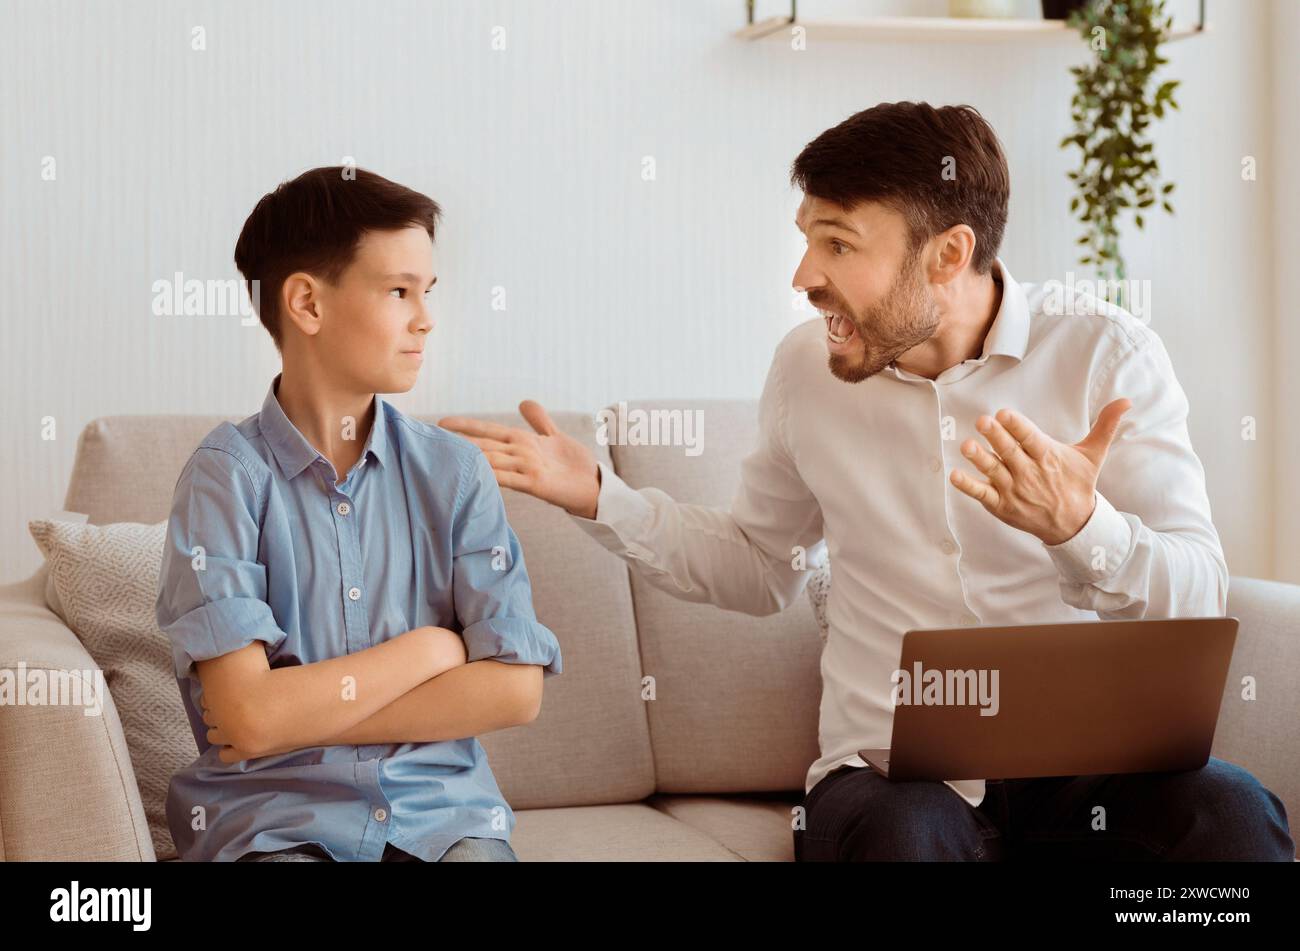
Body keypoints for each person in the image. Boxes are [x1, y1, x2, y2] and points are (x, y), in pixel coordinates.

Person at [440, 102, 1293, 861]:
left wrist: (1083, 528)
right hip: (886, 778)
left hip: (1088, 773)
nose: (804, 277)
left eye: (838, 244)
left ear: (947, 254)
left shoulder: (1106, 358)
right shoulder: (805, 373)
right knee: (906, 835)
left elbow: (1202, 595)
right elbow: (756, 563)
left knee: (1228, 813)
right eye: (808, 239)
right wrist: (600, 493)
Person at [156, 166, 562, 862]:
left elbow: (517, 690)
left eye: (427, 292)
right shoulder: (224, 478)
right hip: (274, 822)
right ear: (307, 304)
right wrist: (431, 650)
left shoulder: (455, 471)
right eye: (399, 291)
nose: (426, 317)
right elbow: (247, 717)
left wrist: (295, 715)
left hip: (444, 818)